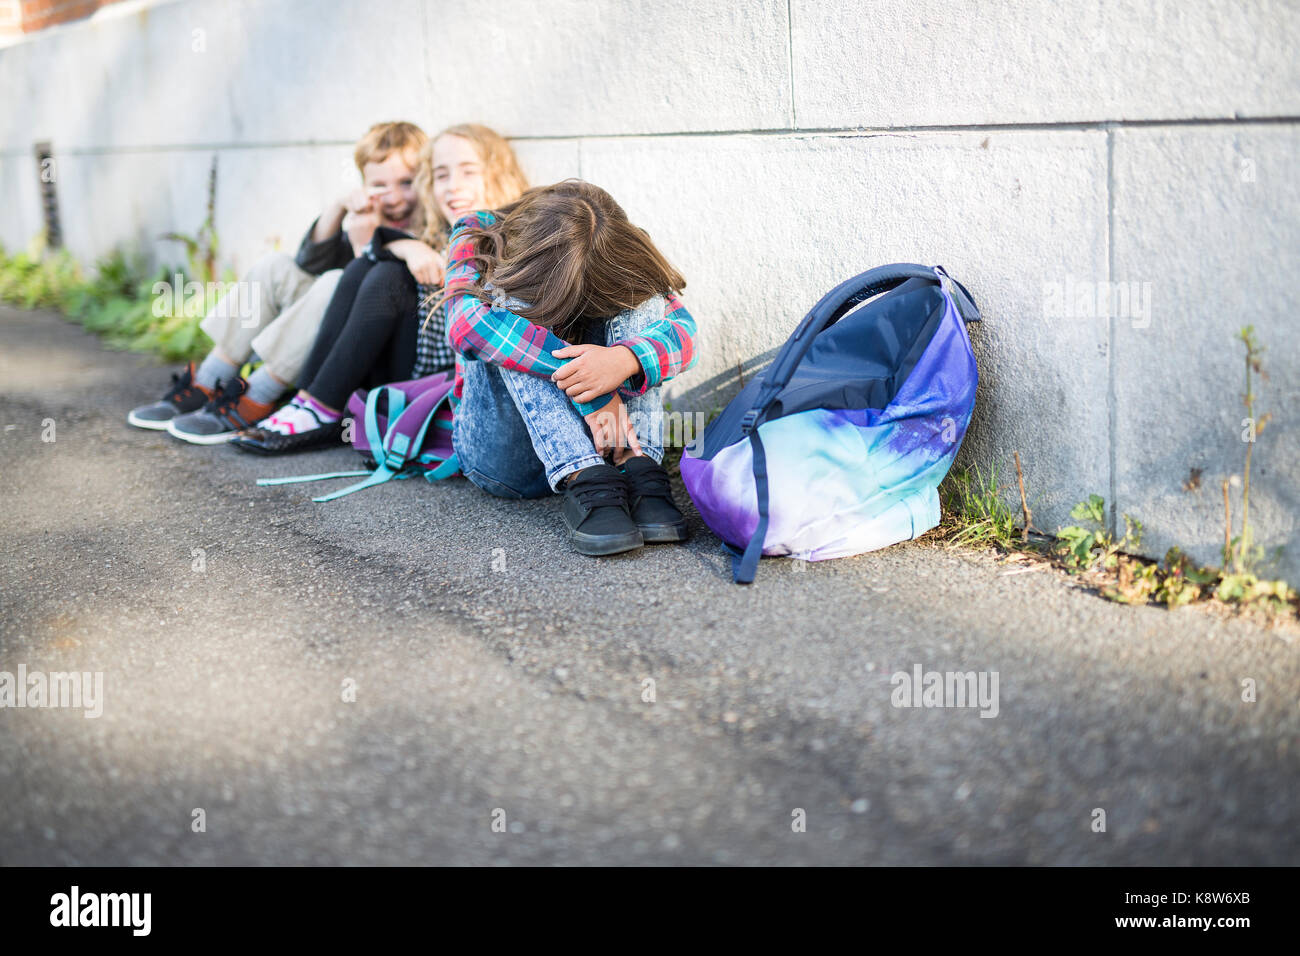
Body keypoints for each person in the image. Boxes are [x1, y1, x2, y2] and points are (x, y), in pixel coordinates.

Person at [231, 124, 529, 454]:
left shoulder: (509, 234)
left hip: (445, 371)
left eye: (468, 172)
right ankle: (311, 403)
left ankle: (319, 408)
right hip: (398, 360)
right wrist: (401, 246)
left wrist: (398, 247)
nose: (453, 187)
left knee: (387, 274)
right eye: (442, 176)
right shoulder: (438, 228)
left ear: (499, 174)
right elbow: (318, 262)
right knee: (368, 265)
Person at [126, 121, 428, 443]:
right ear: (363, 187)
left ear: (425, 182)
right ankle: (209, 381)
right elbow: (307, 263)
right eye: (379, 186)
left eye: (407, 183)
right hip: (319, 343)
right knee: (275, 266)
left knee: (335, 281)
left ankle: (255, 397)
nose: (394, 197)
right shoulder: (367, 217)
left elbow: (367, 300)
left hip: (360, 363)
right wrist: (339, 207)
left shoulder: (427, 230)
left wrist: (365, 246)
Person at [440, 180, 698, 556]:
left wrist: (623, 360)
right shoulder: (475, 233)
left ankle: (636, 467)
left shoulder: (611, 240)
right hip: (505, 458)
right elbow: (466, 326)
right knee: (505, 303)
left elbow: (684, 332)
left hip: (610, 445)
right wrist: (598, 394)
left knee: (639, 290)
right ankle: (583, 475)